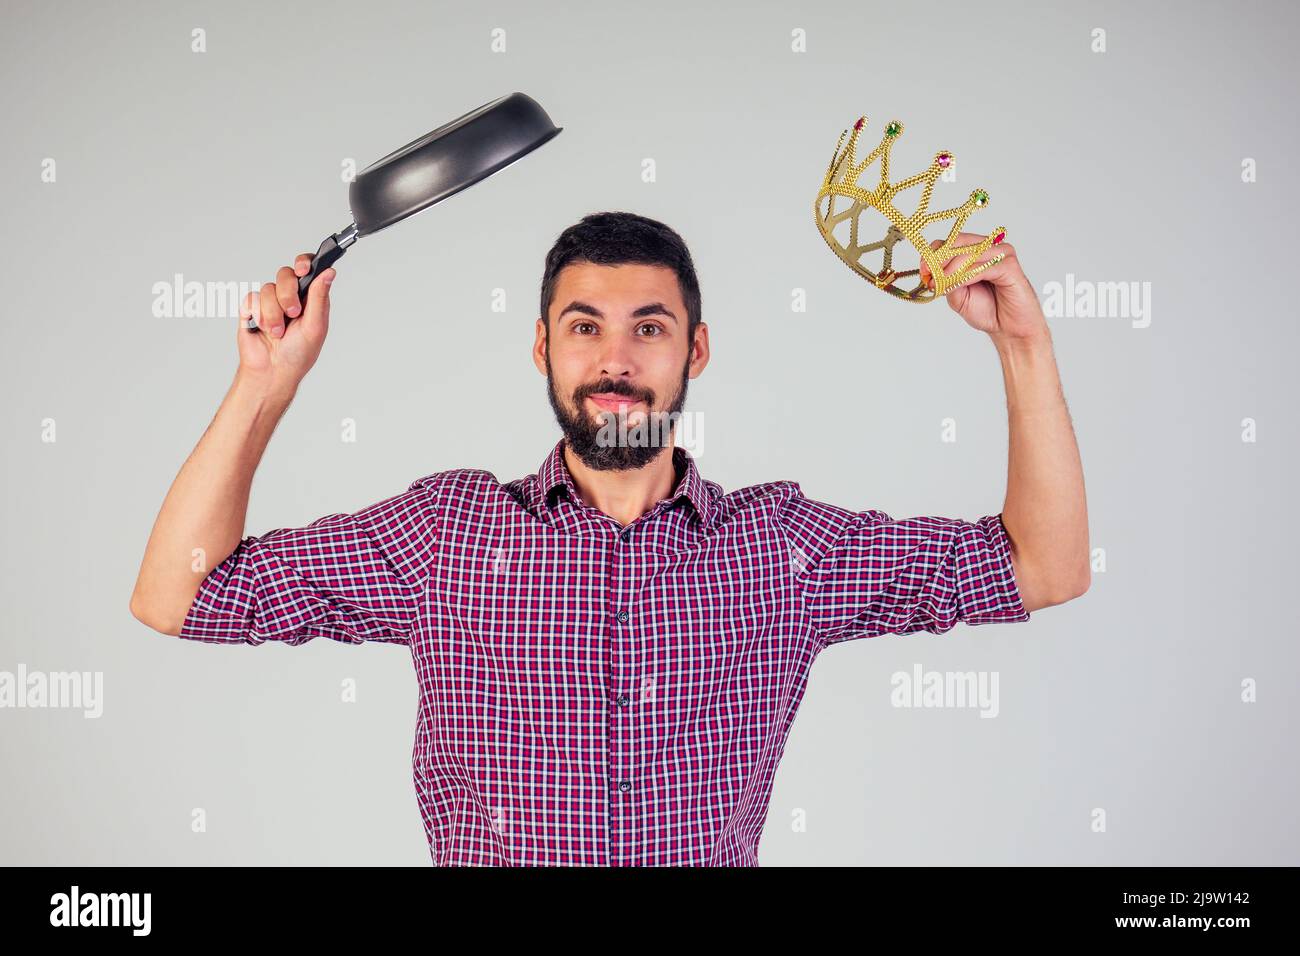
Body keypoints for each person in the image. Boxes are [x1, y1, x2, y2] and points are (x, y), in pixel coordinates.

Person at [130, 210, 1090, 866]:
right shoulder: (447, 535)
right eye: (585, 327)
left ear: (695, 351)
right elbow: (175, 594)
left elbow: (1042, 566)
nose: (616, 359)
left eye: (651, 327)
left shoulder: (782, 549)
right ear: (543, 347)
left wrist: (1023, 347)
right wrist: (267, 382)